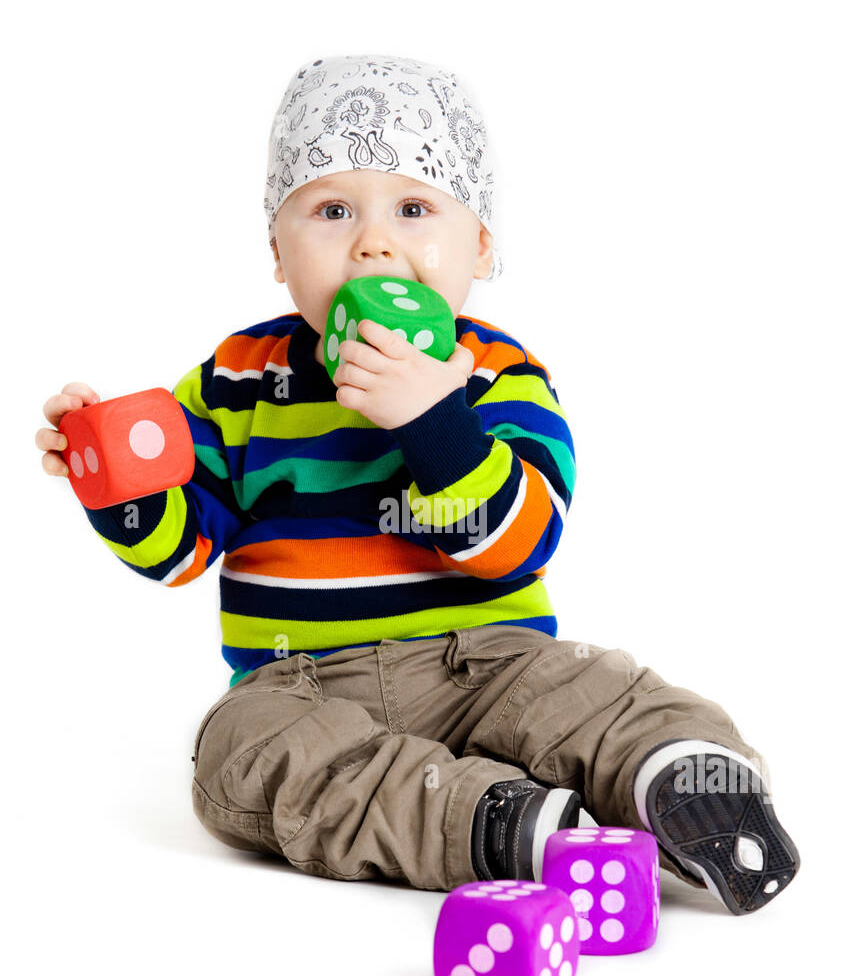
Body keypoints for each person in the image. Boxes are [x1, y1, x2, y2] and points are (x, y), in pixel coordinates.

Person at [36, 52, 800, 915]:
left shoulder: (499, 373)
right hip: (303, 684)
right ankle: (500, 823)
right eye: (330, 211)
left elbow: (522, 543)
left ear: (478, 244)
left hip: (493, 663)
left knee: (597, 687)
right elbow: (181, 552)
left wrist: (433, 422)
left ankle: (687, 778)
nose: (374, 241)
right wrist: (117, 488)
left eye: (413, 208)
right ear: (278, 256)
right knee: (236, 753)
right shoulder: (236, 380)